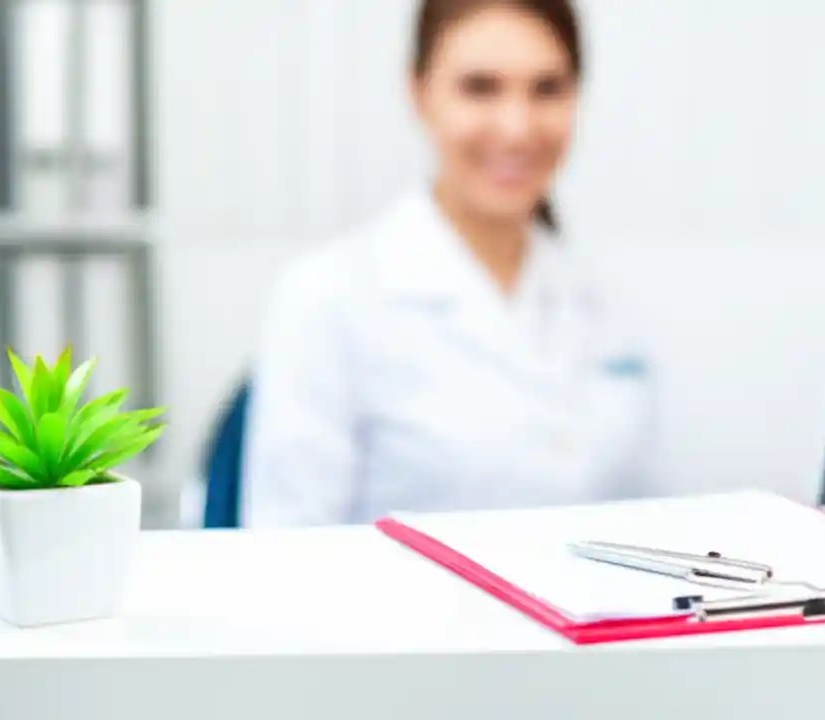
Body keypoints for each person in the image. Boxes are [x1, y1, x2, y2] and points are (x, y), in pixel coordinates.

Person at [241, 0, 656, 526]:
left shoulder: (602, 296)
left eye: (547, 89)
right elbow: (286, 555)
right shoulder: (326, 297)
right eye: (480, 88)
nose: (516, 128)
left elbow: (642, 525)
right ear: (419, 94)